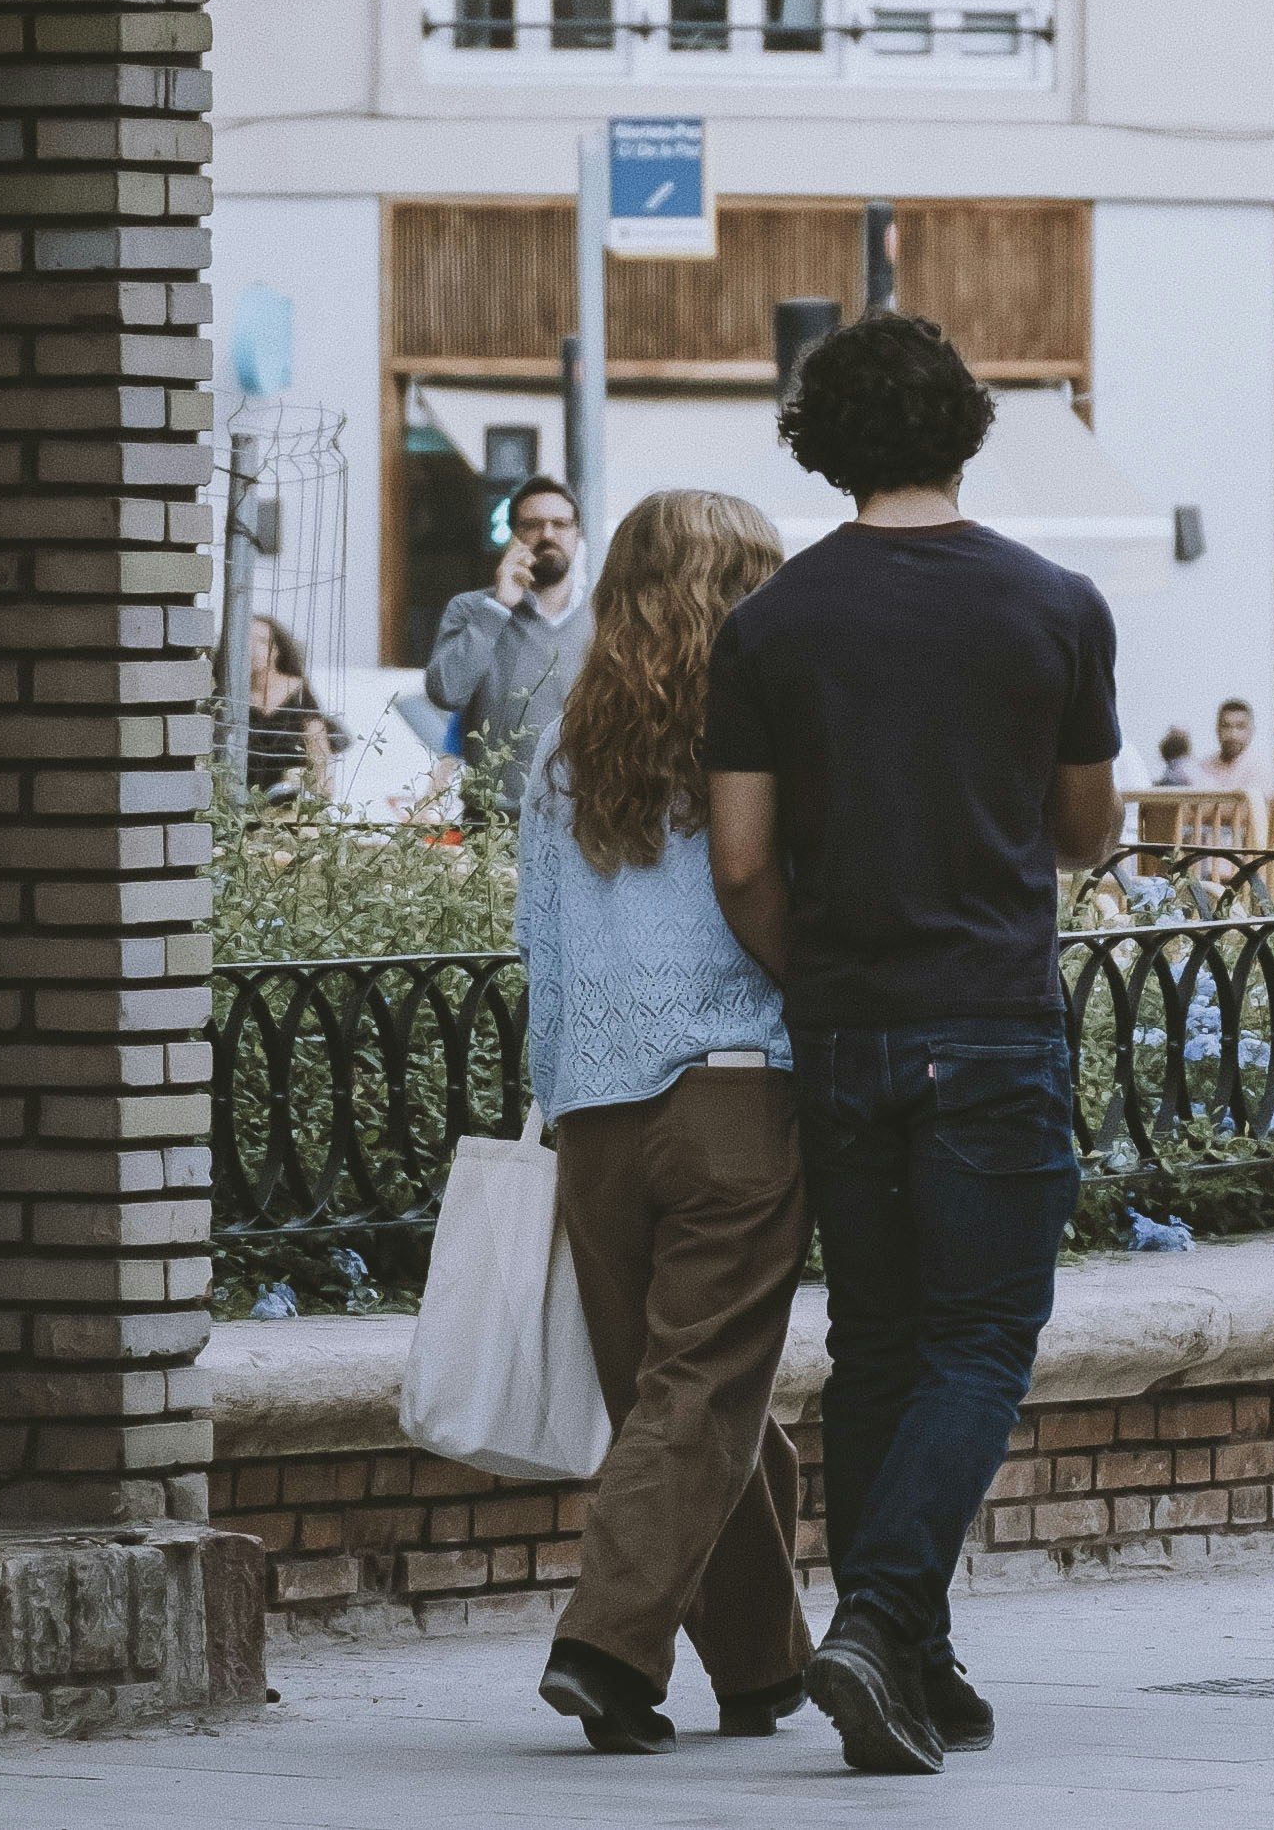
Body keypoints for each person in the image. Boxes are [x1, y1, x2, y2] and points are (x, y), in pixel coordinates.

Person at [704, 310, 1120, 1778]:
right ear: (965, 425)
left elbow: (742, 863)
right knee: (983, 1337)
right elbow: (1081, 829)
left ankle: (914, 1656)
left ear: (821, 445)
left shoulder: (767, 627)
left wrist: (816, 977)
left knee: (876, 1339)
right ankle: (882, 1621)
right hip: (991, 1021)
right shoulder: (1056, 605)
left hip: (846, 1030)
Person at [521, 489, 809, 1758]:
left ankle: (758, 1669)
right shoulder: (768, 736)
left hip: (594, 1110)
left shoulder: (562, 752)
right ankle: (603, 1646)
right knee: (696, 1390)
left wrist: (555, 1096)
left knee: (681, 1396)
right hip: (736, 1091)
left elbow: (540, 944)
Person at [424, 471, 593, 806]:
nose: (548, 534)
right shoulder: (473, 609)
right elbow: (446, 692)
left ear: (577, 535)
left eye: (560, 524)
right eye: (533, 524)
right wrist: (499, 607)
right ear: (514, 536)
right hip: (494, 822)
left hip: (584, 819)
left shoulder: (606, 616)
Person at [245, 613, 334, 797]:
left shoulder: (297, 690)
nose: (253, 649)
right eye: (246, 640)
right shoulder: (228, 694)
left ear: (277, 649)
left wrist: (322, 796)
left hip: (290, 801)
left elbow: (318, 748)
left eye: (263, 641)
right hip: (241, 803)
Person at [1190, 696, 1274, 804]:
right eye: (1226, 726)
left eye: (1240, 727)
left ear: (1251, 730)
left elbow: (1249, 810)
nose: (1232, 735)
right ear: (1217, 729)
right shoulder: (1204, 766)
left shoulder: (1261, 767)